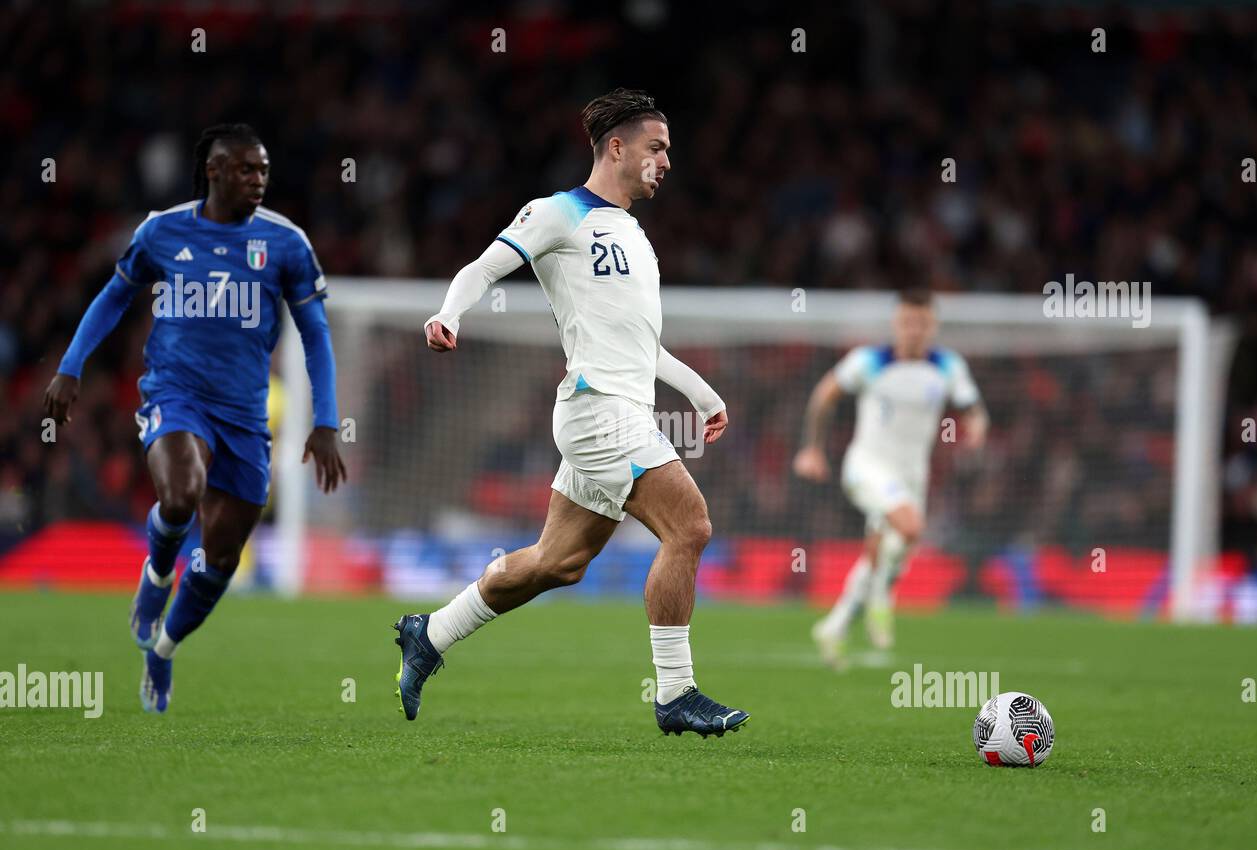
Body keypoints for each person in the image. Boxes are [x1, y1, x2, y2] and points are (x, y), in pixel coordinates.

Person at [393, 89, 749, 737]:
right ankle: (676, 693)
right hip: (599, 411)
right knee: (690, 527)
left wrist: (701, 393)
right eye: (656, 148)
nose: (667, 161)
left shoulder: (635, 236)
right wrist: (448, 313)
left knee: (559, 563)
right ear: (616, 147)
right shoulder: (559, 212)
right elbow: (483, 266)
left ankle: (431, 632)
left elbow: (641, 346)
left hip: (620, 406)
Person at [43, 123, 347, 712]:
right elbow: (114, 295)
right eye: (245, 170)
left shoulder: (286, 243)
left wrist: (327, 419)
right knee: (181, 494)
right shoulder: (162, 231)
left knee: (222, 557)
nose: (258, 180)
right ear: (213, 171)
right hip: (175, 393)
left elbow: (316, 334)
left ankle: (164, 647)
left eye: (263, 170)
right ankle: (155, 578)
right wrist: (71, 365)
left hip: (244, 414)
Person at [793, 289, 987, 667]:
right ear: (896, 323)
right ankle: (883, 597)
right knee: (911, 527)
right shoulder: (869, 361)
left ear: (933, 326)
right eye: (907, 322)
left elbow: (973, 408)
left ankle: (835, 625)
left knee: (889, 548)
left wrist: (977, 430)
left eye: (922, 323)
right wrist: (811, 448)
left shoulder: (948, 366)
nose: (914, 330)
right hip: (866, 467)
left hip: (913, 475)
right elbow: (825, 395)